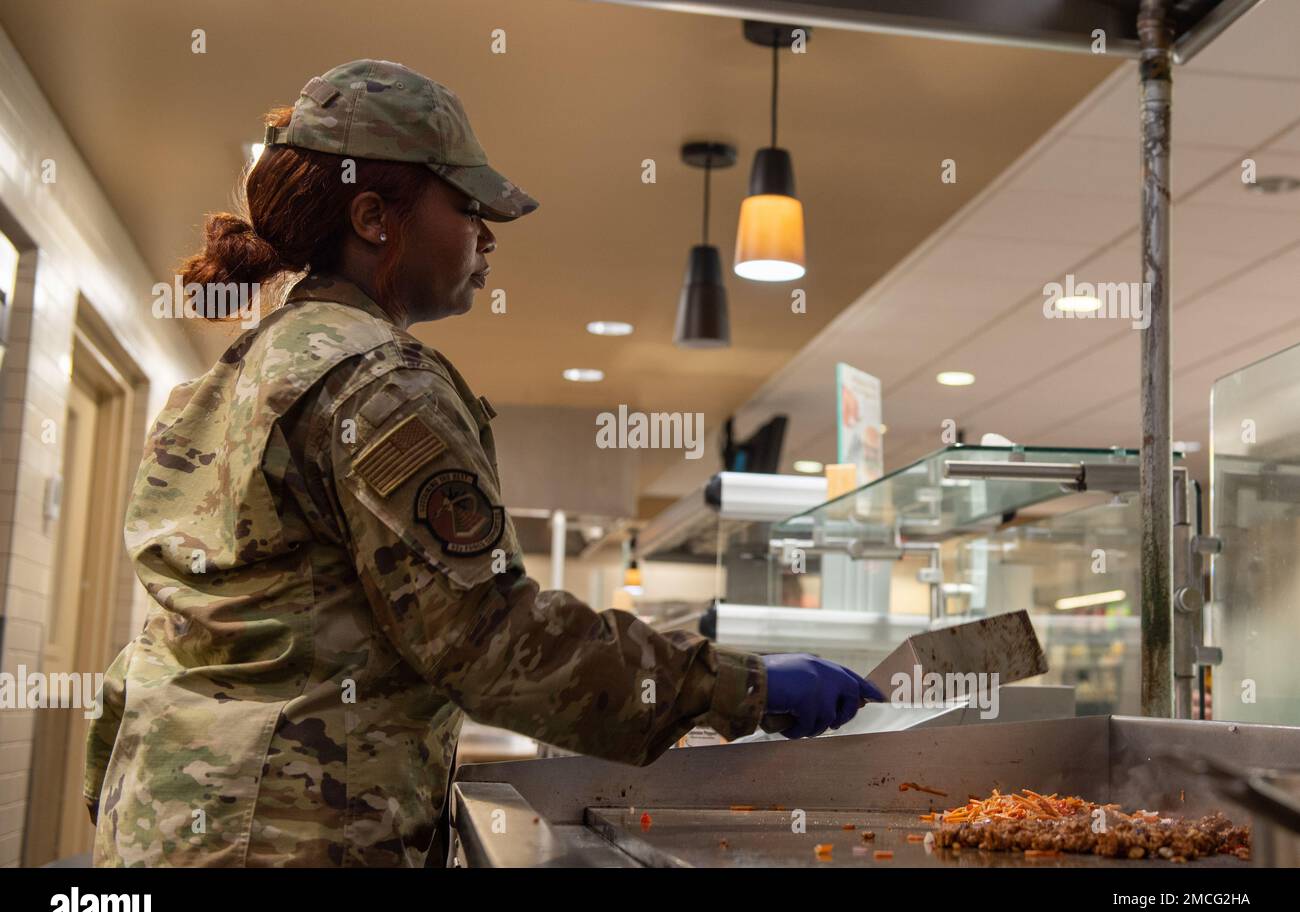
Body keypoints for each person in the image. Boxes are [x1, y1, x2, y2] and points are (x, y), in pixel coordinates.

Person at [83, 59, 881, 867]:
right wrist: (742, 687)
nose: (486, 235)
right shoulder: (377, 382)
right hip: (287, 839)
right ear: (373, 218)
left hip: (168, 821)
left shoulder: (234, 372)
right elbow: (496, 640)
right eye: (467, 207)